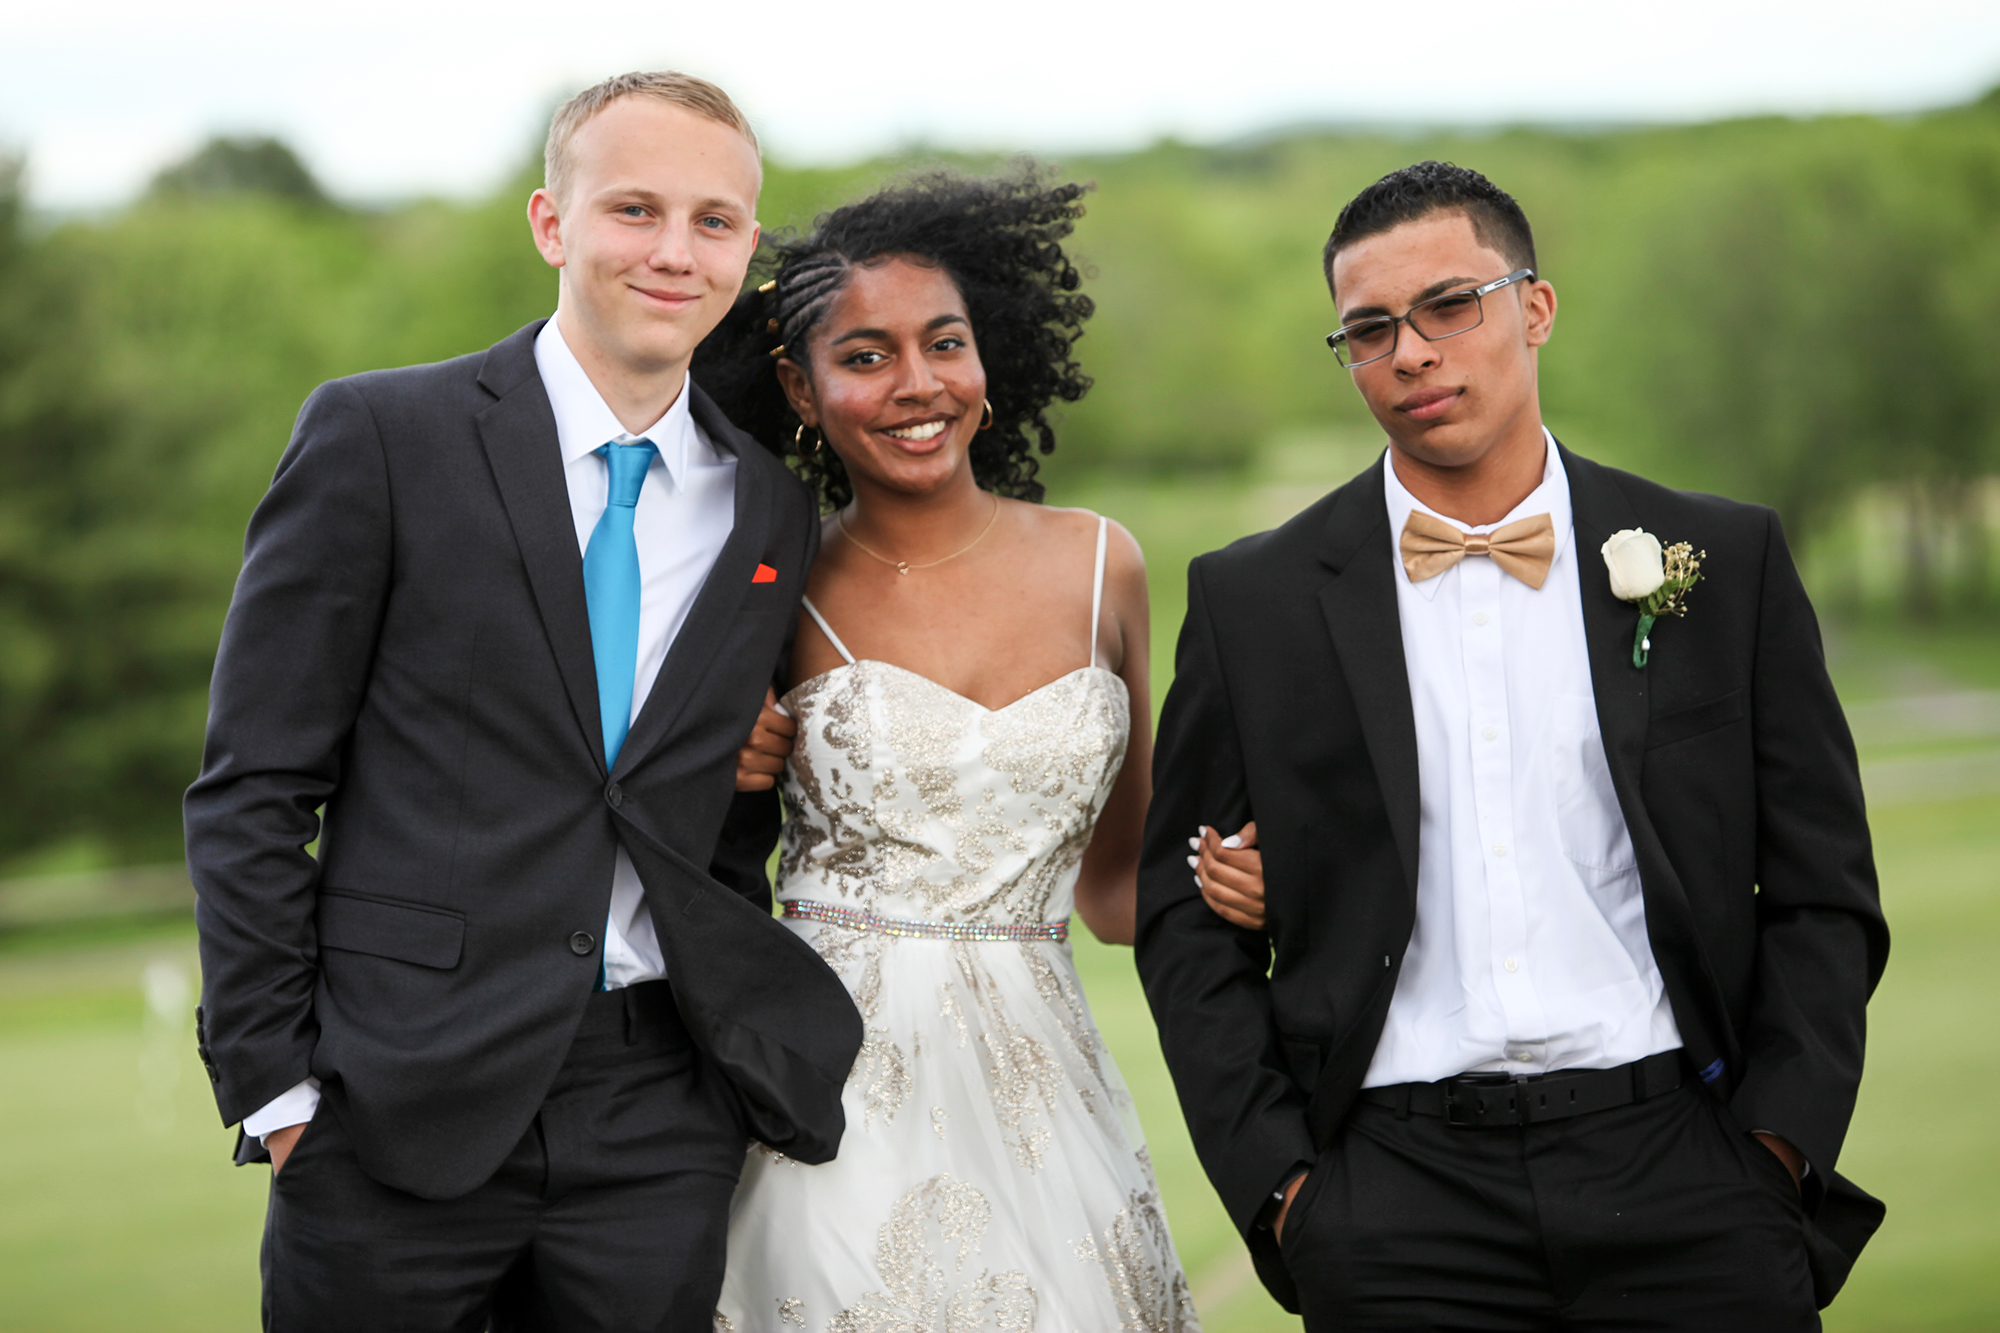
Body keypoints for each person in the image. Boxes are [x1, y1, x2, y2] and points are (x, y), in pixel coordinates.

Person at [1138, 161, 1889, 1330]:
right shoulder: (1254, 599)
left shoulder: (1718, 560)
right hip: (1391, 1199)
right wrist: (1285, 1191)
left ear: (1531, 309)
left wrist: (1774, 1148)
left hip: (1688, 1171)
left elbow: (1820, 886)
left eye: (1450, 305)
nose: (1411, 352)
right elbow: (1181, 917)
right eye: (1368, 329)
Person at [184, 71, 861, 1330]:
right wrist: (277, 1094)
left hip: (657, 1108)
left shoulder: (767, 507)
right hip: (391, 1101)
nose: (674, 250)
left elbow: (708, 813)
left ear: (746, 251)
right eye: (634, 210)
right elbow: (255, 787)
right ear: (552, 224)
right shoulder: (381, 436)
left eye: (714, 221)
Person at [693, 171, 1207, 1332]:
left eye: (944, 344)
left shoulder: (1102, 567)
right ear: (798, 385)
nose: (916, 385)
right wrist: (716, 767)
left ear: (988, 358)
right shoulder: (769, 588)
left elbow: (1119, 891)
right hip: (827, 1086)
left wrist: (1253, 878)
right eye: (865, 356)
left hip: (1046, 1090)